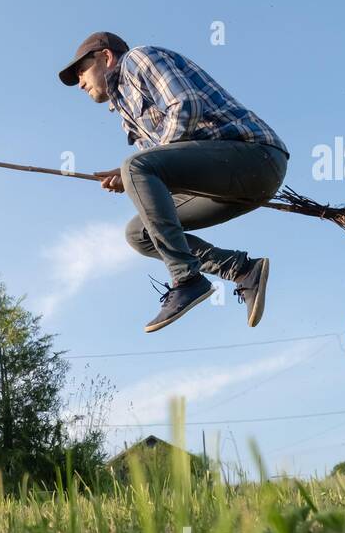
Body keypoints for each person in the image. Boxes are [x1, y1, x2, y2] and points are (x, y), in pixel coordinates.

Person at [59, 32, 289, 332]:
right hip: (226, 185)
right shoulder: (126, 112)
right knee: (138, 232)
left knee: (135, 166)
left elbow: (186, 105)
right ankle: (242, 270)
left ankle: (186, 278)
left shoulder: (137, 61)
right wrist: (129, 179)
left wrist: (134, 170)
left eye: (81, 70)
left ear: (105, 57)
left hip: (256, 158)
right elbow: (162, 168)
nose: (80, 82)